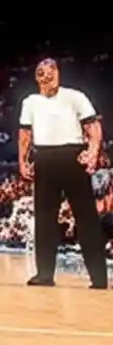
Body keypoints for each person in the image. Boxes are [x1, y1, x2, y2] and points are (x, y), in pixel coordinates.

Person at [18, 58, 106, 289]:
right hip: (44, 157)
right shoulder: (31, 102)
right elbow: (25, 134)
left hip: (72, 156)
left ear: (58, 74)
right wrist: (22, 160)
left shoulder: (75, 97)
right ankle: (44, 274)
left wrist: (93, 152)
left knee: (86, 218)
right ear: (37, 77)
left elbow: (93, 127)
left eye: (51, 73)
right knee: (45, 219)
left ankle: (99, 278)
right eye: (43, 74)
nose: (47, 78)